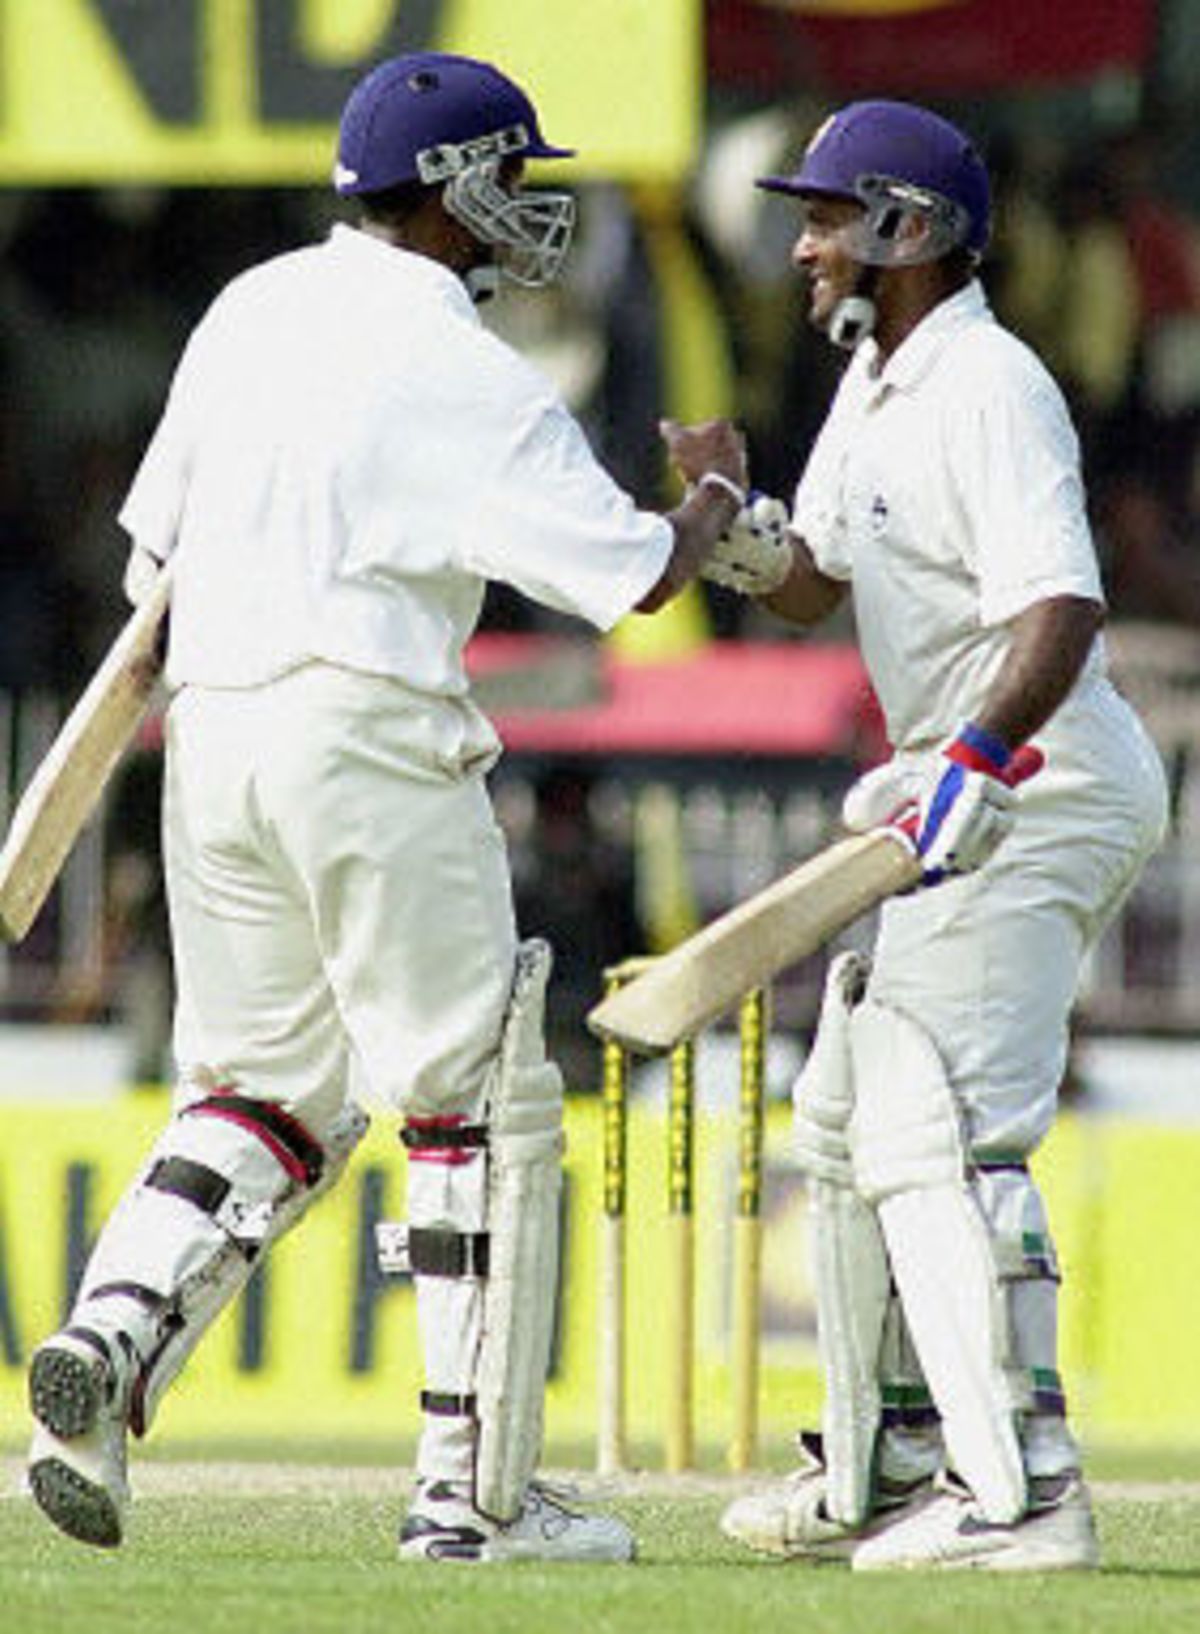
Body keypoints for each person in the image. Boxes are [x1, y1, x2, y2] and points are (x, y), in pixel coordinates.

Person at [24, 51, 754, 1564]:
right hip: (365, 728)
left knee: (257, 1096)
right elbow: (632, 580)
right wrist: (712, 504)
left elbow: (144, 565)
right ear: (455, 187)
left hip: (210, 735)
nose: (528, 211)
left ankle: (103, 1352)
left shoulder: (247, 311)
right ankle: (475, 1501)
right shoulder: (463, 366)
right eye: (512, 178)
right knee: (476, 1101)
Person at [713, 101, 1168, 1571]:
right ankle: (891, 1459)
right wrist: (722, 518)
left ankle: (1027, 1489)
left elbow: (1064, 604)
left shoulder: (992, 382)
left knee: (949, 1129)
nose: (801, 244)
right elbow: (813, 579)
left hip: (1037, 780)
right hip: (956, 786)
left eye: (827, 217)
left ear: (906, 228)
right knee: (847, 1123)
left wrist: (974, 755)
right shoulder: (879, 378)